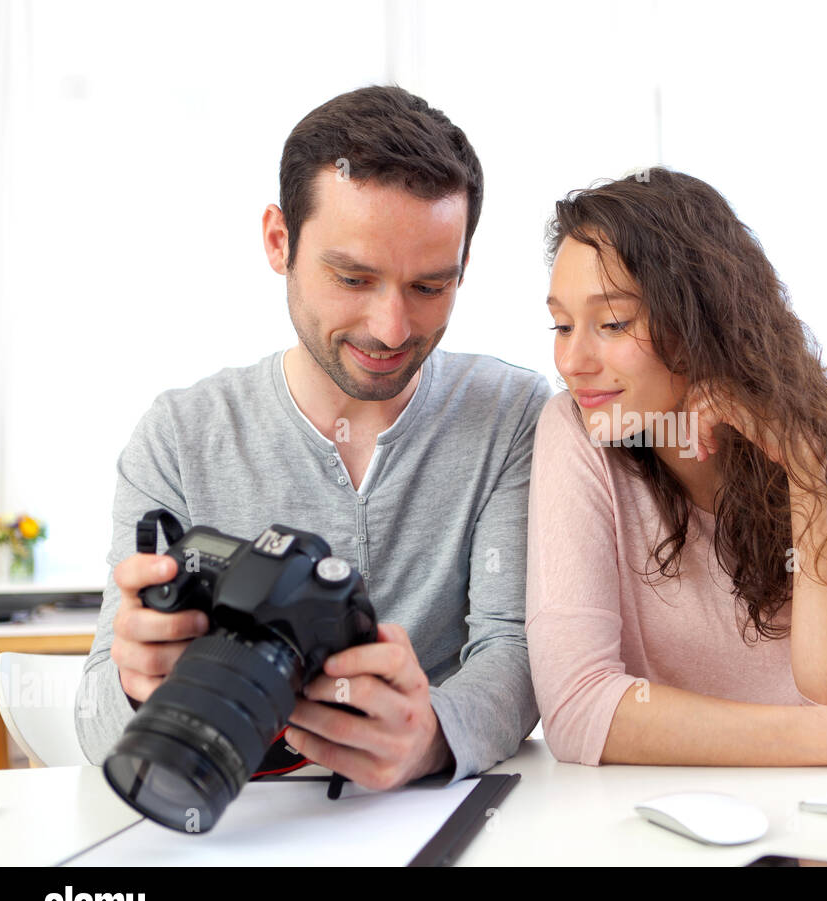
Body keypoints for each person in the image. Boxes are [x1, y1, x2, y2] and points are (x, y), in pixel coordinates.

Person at [75, 85, 551, 788]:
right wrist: (137, 683)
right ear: (279, 241)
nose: (391, 329)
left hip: (431, 809)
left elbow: (511, 648)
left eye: (429, 287)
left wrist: (435, 738)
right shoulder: (178, 437)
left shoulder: (510, 414)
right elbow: (92, 718)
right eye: (352, 277)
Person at [528, 167, 827, 767]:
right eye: (561, 325)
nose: (573, 360)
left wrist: (807, 471)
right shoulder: (578, 436)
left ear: (700, 320)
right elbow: (579, 708)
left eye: (612, 324)